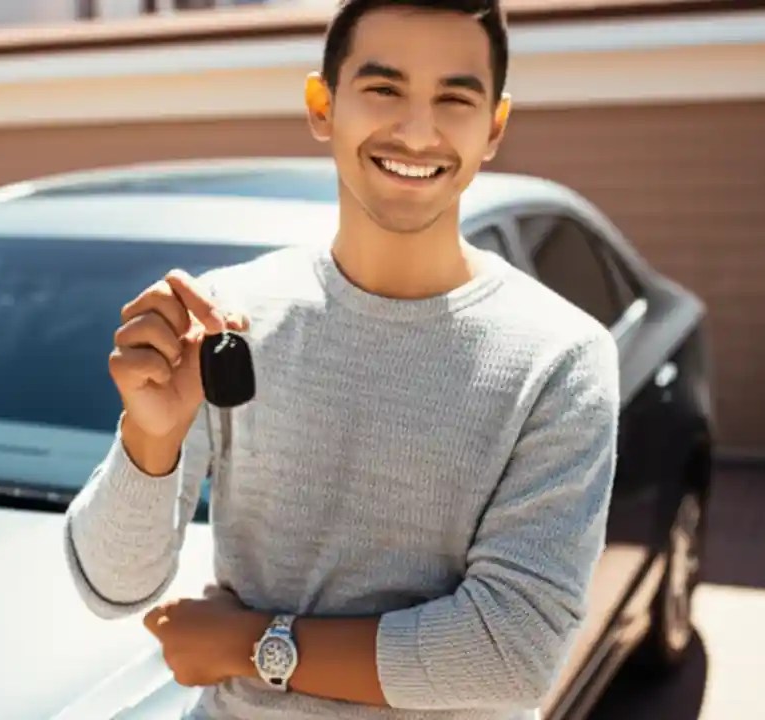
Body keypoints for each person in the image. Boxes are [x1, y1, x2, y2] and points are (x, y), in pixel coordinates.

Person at [63, 1, 620, 718]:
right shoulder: (231, 314)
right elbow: (113, 588)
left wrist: (250, 647)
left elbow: (510, 654)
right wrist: (150, 440)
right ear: (322, 106)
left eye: (454, 98)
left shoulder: (562, 356)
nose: (418, 132)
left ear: (494, 128)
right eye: (384, 89)